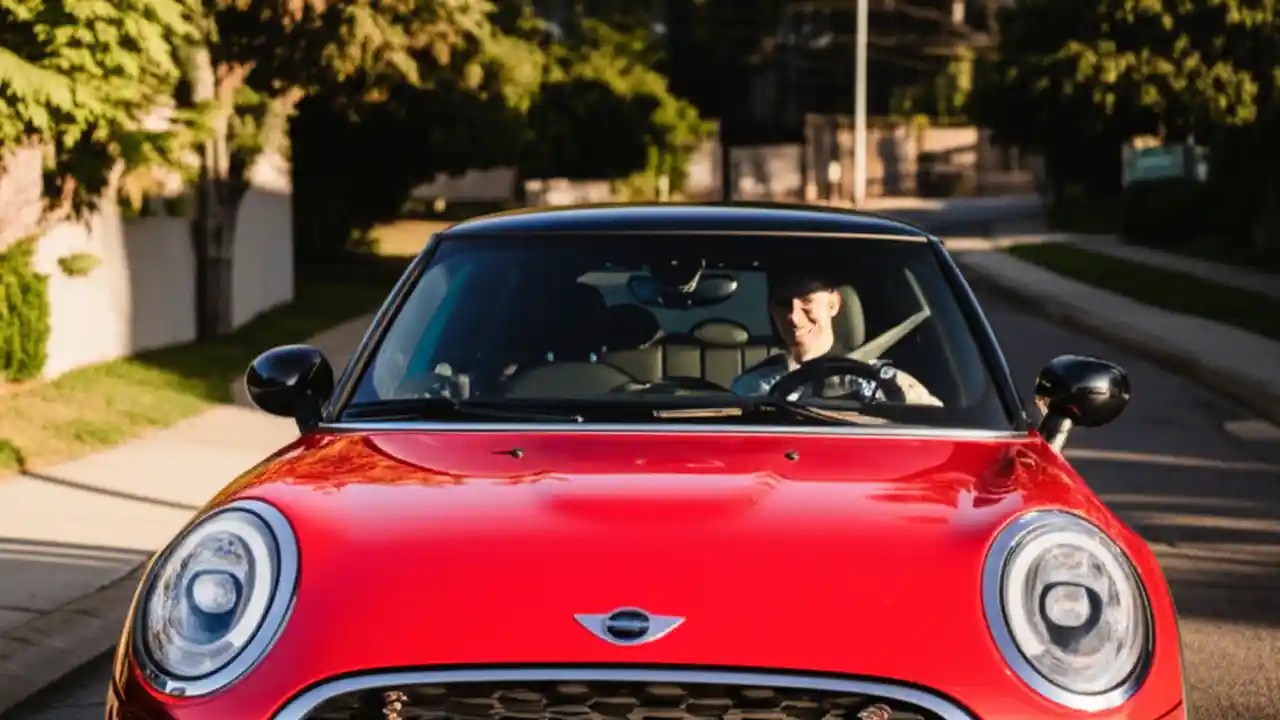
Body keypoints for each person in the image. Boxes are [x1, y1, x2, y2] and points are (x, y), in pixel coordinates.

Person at [730, 269, 942, 406]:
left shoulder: (888, 385)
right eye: (783, 303)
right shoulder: (752, 388)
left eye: (806, 300)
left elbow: (933, 432)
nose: (793, 317)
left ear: (833, 304)